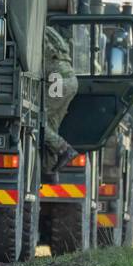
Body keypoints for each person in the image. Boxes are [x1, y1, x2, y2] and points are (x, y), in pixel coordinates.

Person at [43, 26, 80, 175]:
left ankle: (64, 149)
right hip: (69, 79)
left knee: (37, 121)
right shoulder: (50, 30)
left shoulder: (37, 30)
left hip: (58, 80)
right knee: (51, 125)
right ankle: (50, 170)